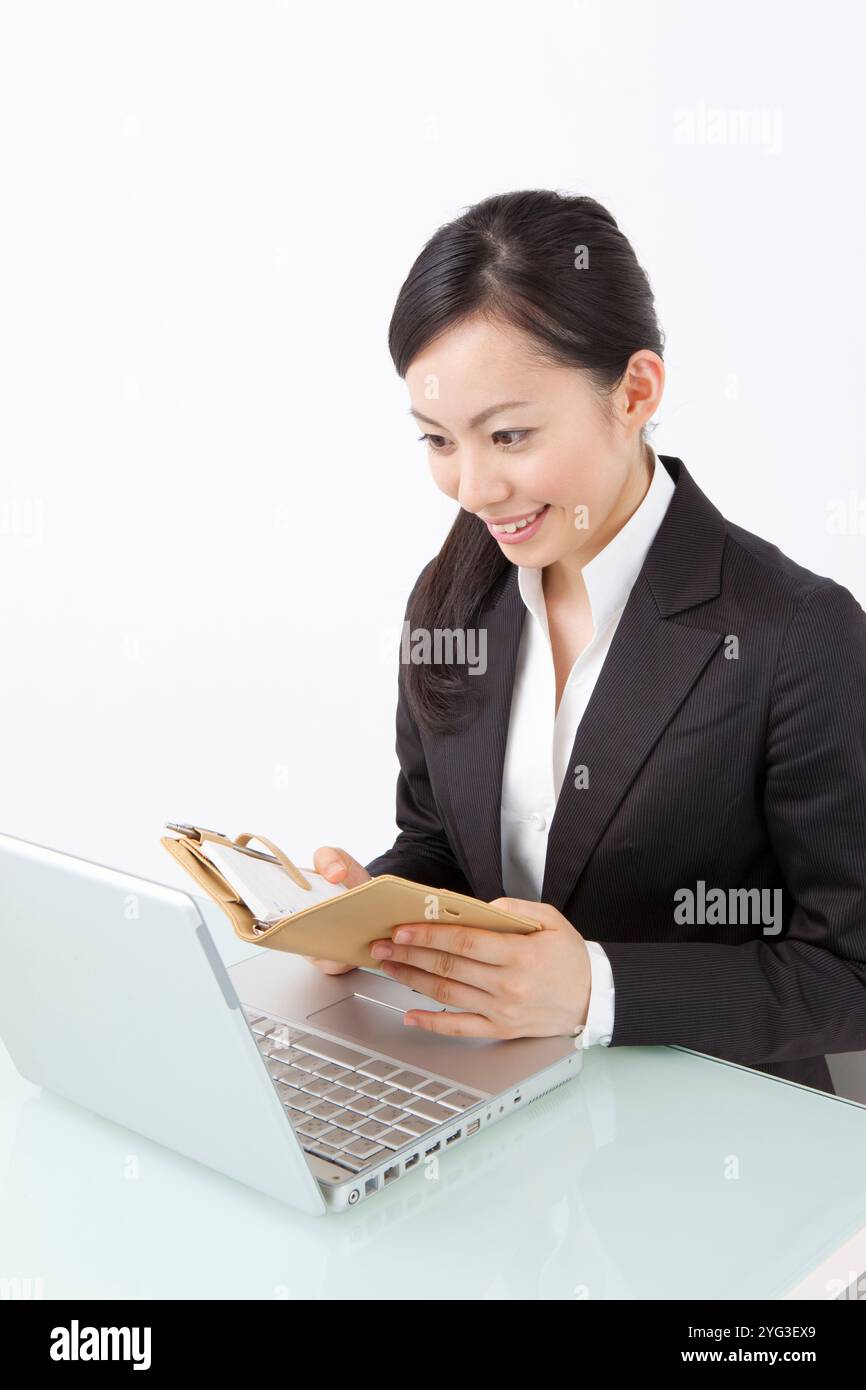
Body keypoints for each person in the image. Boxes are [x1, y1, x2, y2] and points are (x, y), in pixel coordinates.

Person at [306, 189, 866, 1095]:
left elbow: (851, 971)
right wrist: (366, 910)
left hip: (721, 1139)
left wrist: (597, 990)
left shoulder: (797, 634)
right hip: (492, 1103)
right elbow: (439, 846)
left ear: (636, 391)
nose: (474, 487)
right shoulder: (454, 602)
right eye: (438, 441)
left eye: (511, 434)